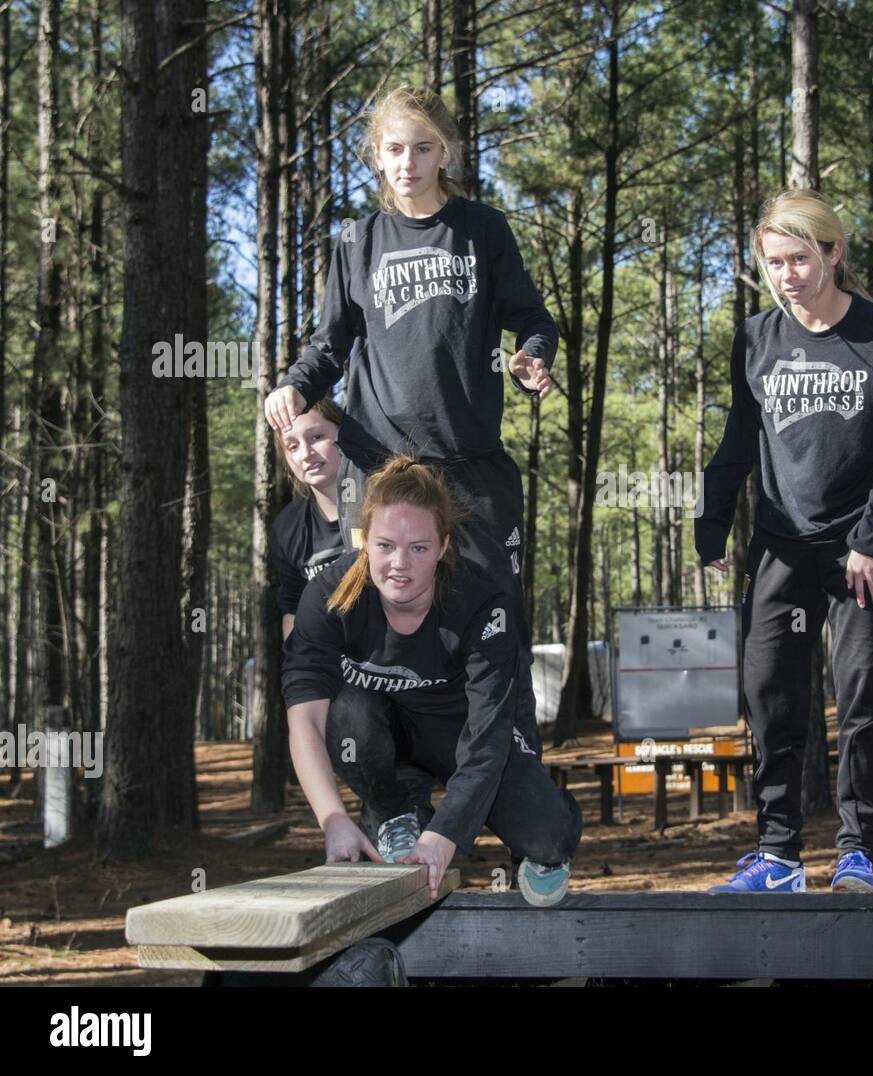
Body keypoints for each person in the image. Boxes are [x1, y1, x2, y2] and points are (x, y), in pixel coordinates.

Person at [264, 85, 554, 755]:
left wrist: (532, 357)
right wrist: (294, 385)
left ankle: (515, 769)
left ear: (445, 152)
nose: (408, 163)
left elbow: (533, 320)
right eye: (394, 149)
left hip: (470, 466)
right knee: (377, 626)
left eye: (423, 148)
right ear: (377, 156)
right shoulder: (359, 241)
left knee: (493, 618)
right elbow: (330, 342)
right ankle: (394, 796)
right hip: (382, 467)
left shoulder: (482, 230)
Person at [696, 189, 873, 894]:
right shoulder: (757, 339)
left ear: (834, 252)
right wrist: (710, 521)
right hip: (780, 542)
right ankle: (779, 854)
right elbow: (740, 437)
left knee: (864, 696)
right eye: (773, 262)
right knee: (771, 694)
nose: (787, 274)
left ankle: (858, 848)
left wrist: (872, 539)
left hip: (863, 550)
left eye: (800, 258)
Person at [282, 454, 581, 906]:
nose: (399, 563)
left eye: (418, 548)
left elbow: (488, 735)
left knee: (549, 835)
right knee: (347, 711)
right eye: (385, 546)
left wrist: (447, 834)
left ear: (443, 546)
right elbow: (305, 718)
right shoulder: (329, 594)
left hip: (465, 738)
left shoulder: (482, 601)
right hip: (384, 739)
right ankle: (395, 813)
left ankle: (522, 841)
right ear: (365, 542)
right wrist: (332, 818)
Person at [270, 398, 347, 640]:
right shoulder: (286, 529)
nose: (306, 454)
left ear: (344, 434)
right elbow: (292, 609)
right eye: (292, 447)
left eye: (316, 437)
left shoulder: (388, 508)